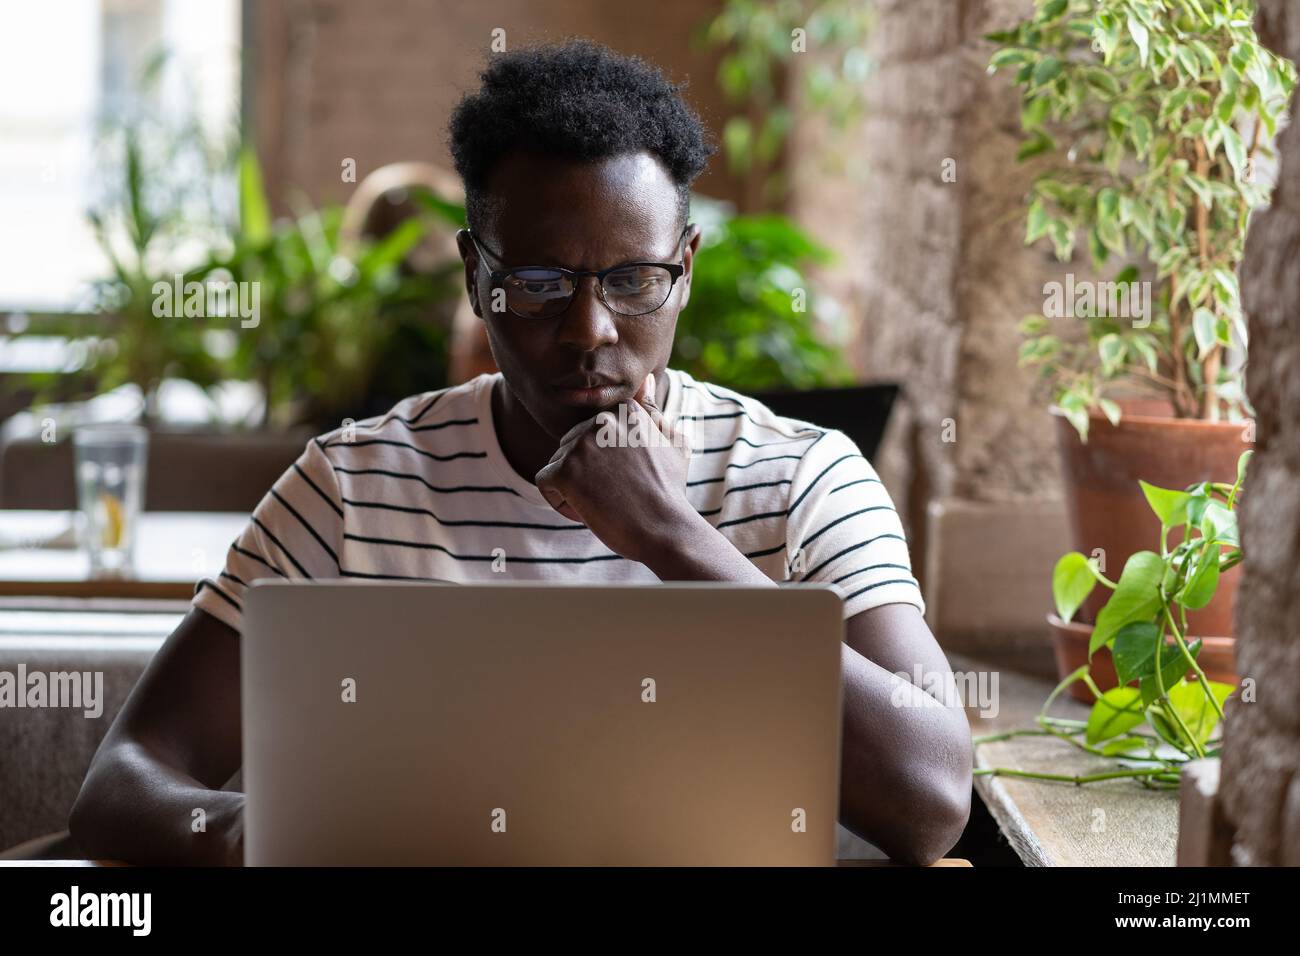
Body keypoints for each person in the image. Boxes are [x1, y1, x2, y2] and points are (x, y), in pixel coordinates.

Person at [70, 39, 971, 866]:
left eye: (633, 280)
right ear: (476, 277)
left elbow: (932, 804)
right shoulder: (350, 487)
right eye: (539, 283)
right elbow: (124, 780)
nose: (590, 329)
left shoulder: (802, 480)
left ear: (685, 270)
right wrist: (245, 833)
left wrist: (672, 536)